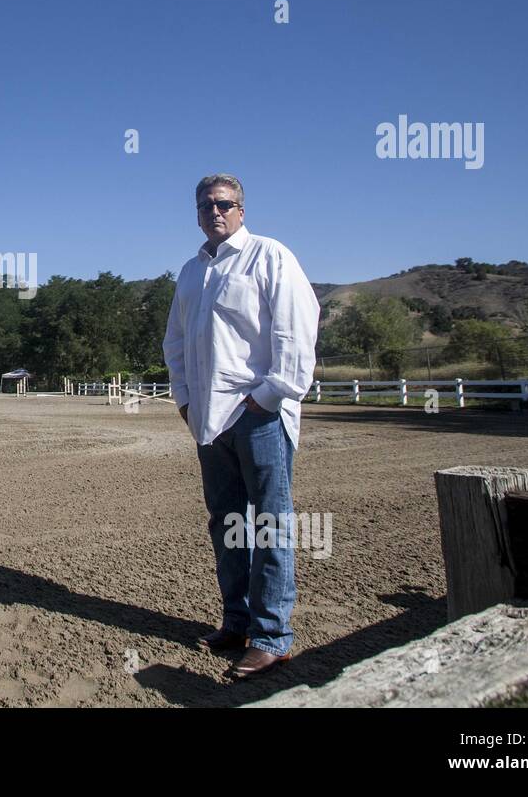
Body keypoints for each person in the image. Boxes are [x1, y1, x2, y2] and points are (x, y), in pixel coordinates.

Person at [162, 174, 319, 678]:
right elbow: (176, 343)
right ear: (197, 211)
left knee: (271, 524)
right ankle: (237, 622)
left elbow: (297, 327)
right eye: (206, 204)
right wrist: (185, 400)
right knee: (226, 523)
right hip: (209, 420)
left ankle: (272, 636)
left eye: (225, 203)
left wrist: (268, 396)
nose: (215, 211)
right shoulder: (190, 272)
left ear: (241, 209)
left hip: (259, 417)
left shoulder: (270, 257)